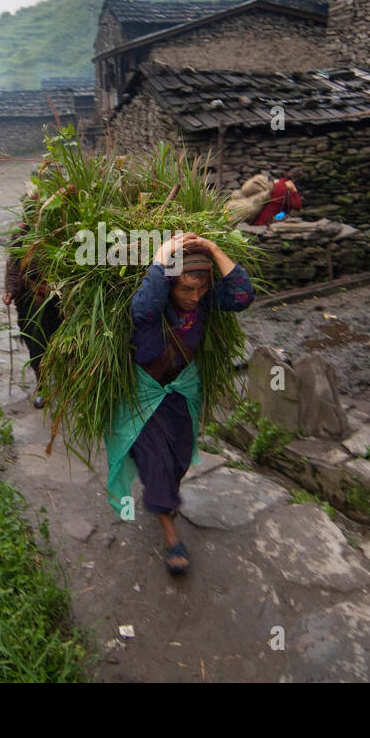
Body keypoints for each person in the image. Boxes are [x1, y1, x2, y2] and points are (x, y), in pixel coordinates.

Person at [105, 232, 254, 574]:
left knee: (180, 456)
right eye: (186, 289)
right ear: (169, 284)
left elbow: (243, 296)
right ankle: (170, 533)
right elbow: (140, 309)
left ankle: (163, 495)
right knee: (156, 460)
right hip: (143, 395)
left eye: (200, 289)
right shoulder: (153, 305)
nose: (194, 297)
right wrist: (161, 259)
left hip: (181, 390)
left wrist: (213, 249)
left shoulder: (203, 300)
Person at [2, 205, 61, 408]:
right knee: (34, 343)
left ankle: (64, 379)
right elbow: (13, 265)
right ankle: (42, 384)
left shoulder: (59, 231)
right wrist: (10, 290)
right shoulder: (21, 235)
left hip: (55, 301)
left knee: (56, 341)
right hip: (29, 301)